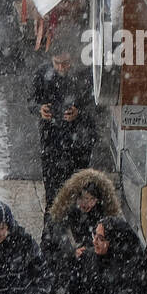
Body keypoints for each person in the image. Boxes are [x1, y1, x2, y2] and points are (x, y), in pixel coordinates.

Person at [32, 42, 97, 228]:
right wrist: (39, 109)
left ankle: (76, 229)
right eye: (57, 63)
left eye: (65, 63)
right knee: (52, 194)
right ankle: (51, 232)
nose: (61, 68)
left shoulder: (84, 76)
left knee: (78, 193)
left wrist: (79, 113)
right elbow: (31, 101)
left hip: (79, 144)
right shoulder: (42, 75)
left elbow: (95, 107)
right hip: (51, 142)